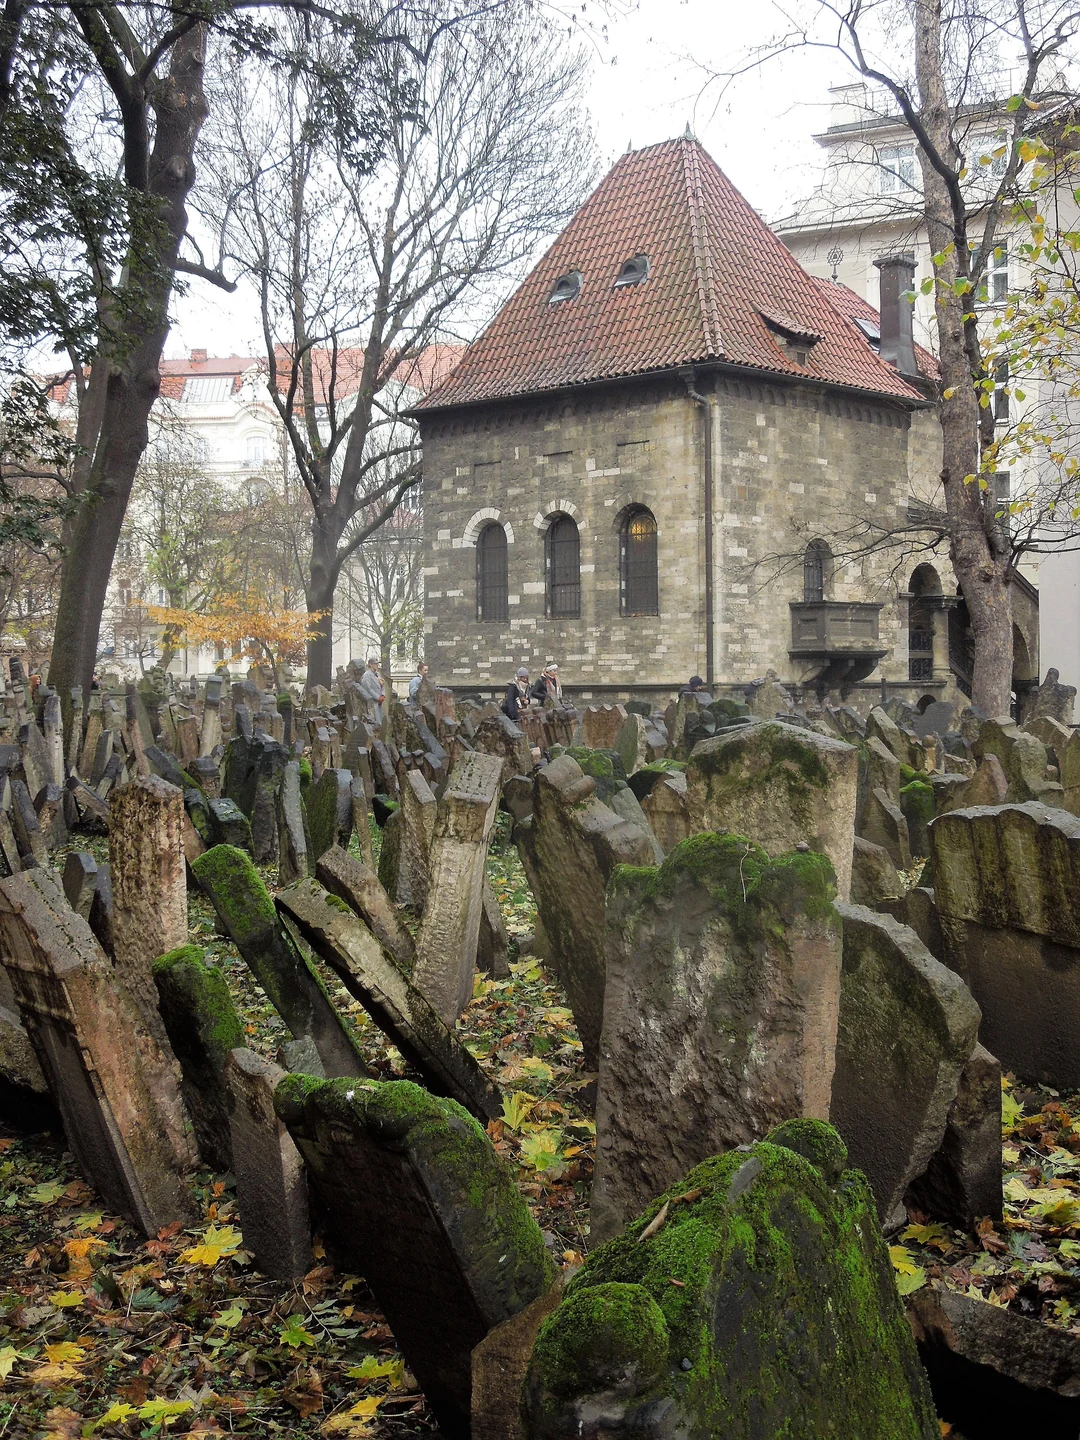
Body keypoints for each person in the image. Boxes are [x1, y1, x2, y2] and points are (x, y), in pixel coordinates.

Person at [359, 655, 385, 724]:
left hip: (379, 702)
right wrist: (378, 697)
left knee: (381, 720)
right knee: (375, 721)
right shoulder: (366, 675)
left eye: (377, 664)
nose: (377, 665)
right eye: (375, 664)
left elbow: (382, 685)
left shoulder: (377, 674)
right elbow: (368, 689)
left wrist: (382, 695)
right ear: (370, 665)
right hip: (372, 703)